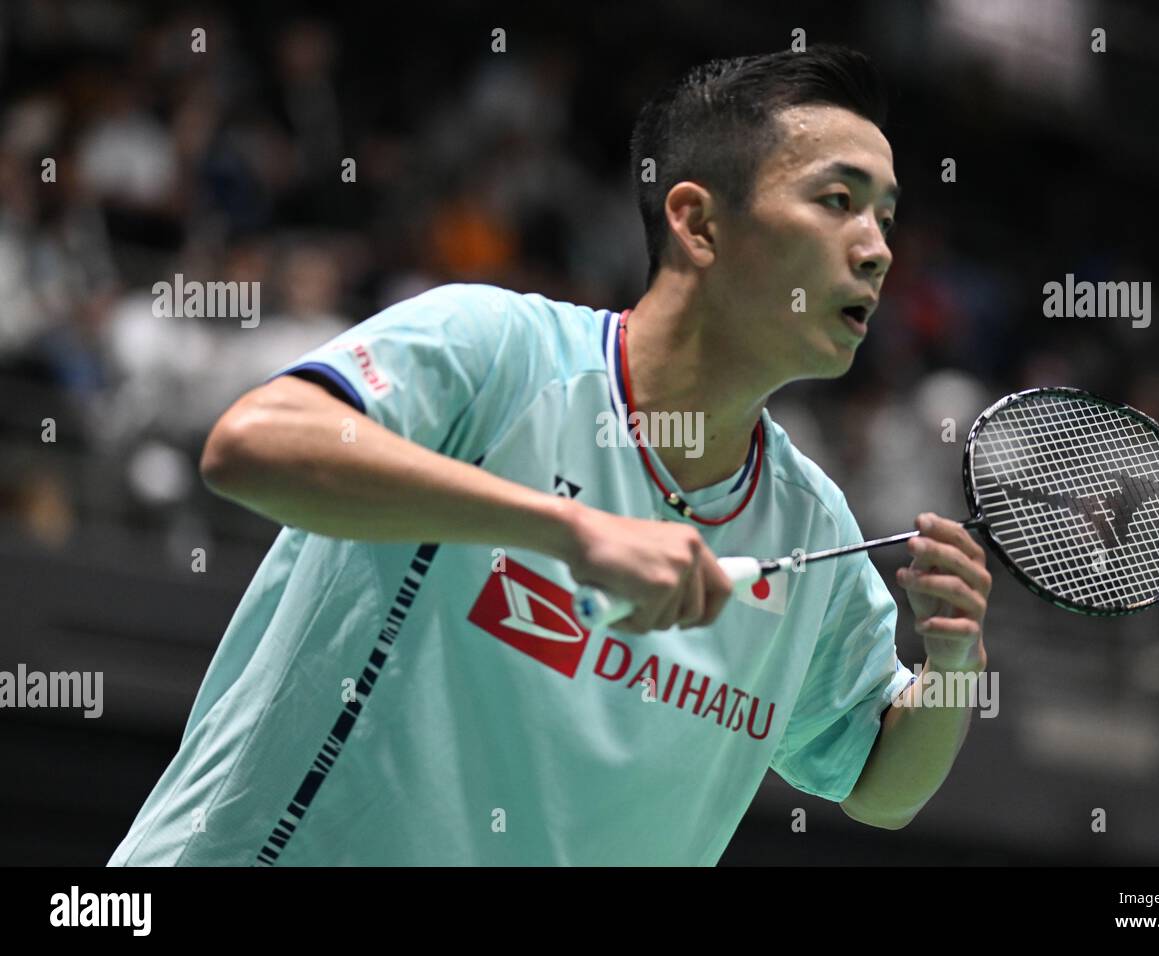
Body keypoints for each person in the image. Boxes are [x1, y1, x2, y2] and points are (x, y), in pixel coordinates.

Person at [108, 44, 991, 867]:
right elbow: (253, 446)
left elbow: (881, 787)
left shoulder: (810, 523)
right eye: (837, 202)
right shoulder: (499, 352)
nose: (878, 250)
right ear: (698, 222)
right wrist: (572, 533)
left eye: (885, 217)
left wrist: (951, 663)